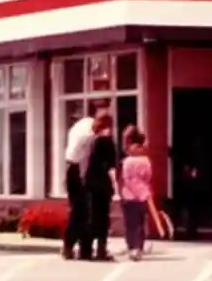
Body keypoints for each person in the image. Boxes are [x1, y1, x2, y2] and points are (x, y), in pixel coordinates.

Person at [63, 109, 111, 260]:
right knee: (79, 211)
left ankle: (85, 249)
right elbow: (82, 159)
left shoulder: (86, 124)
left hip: (80, 169)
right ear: (99, 122)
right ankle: (69, 246)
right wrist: (85, 181)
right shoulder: (86, 135)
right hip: (76, 169)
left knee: (86, 213)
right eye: (102, 127)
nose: (102, 131)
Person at [85, 113, 119, 261]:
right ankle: (101, 249)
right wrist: (115, 187)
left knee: (93, 216)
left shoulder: (92, 142)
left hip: (91, 183)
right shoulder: (107, 142)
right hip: (103, 184)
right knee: (103, 217)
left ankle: (87, 249)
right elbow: (111, 167)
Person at [119, 128, 153, 260]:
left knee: (130, 223)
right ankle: (139, 247)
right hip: (143, 195)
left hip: (129, 196)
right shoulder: (146, 161)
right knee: (140, 222)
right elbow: (148, 177)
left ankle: (131, 246)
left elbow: (126, 179)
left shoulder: (127, 162)